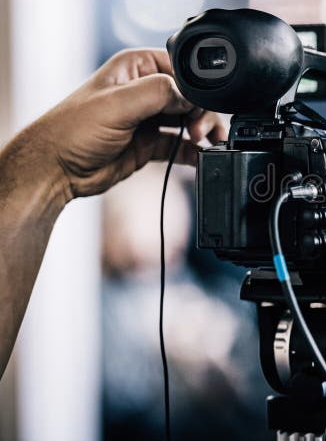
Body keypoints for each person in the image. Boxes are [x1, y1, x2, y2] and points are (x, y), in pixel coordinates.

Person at [0, 48, 226, 378]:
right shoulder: (90, 315)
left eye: (171, 254)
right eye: (140, 261)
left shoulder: (190, 287)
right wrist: (47, 164)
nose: (158, 266)